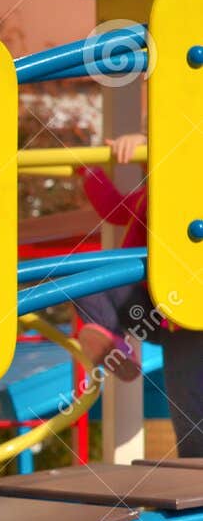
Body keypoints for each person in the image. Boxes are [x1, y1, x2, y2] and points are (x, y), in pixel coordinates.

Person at [75, 132, 203, 457]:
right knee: (83, 278)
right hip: (157, 310)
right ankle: (116, 345)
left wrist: (150, 137)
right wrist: (89, 169)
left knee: (192, 413)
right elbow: (113, 209)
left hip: (191, 314)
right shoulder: (150, 196)